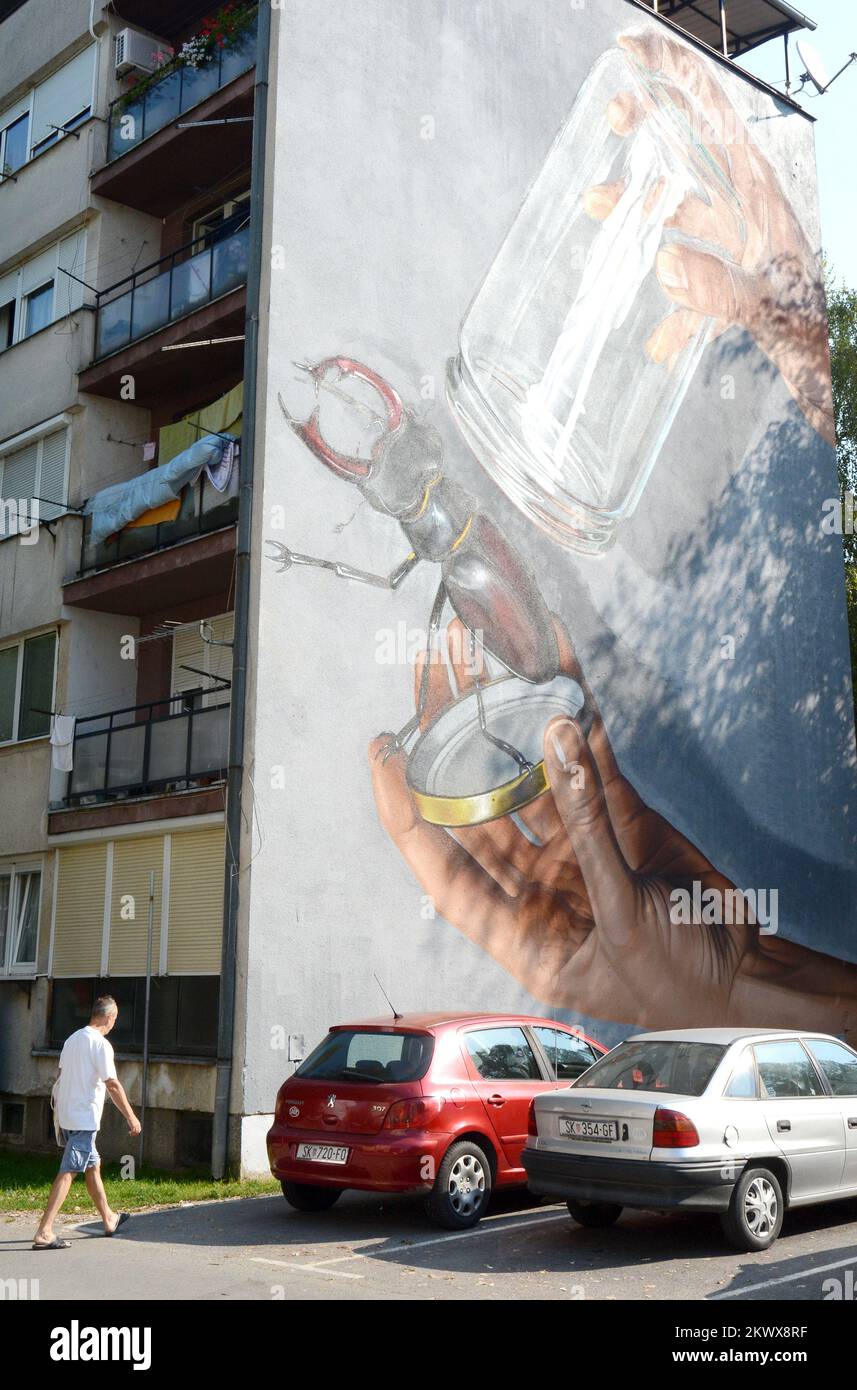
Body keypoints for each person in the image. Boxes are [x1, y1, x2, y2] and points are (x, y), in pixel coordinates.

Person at [33, 996, 141, 1251]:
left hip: (68, 1115)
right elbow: (112, 1084)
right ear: (109, 1017)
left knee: (93, 1165)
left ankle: (109, 1218)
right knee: (69, 1170)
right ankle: (44, 1231)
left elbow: (60, 1076)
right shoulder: (100, 1045)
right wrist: (131, 1116)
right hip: (84, 1119)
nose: (114, 1022)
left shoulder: (72, 1039)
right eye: (115, 1018)